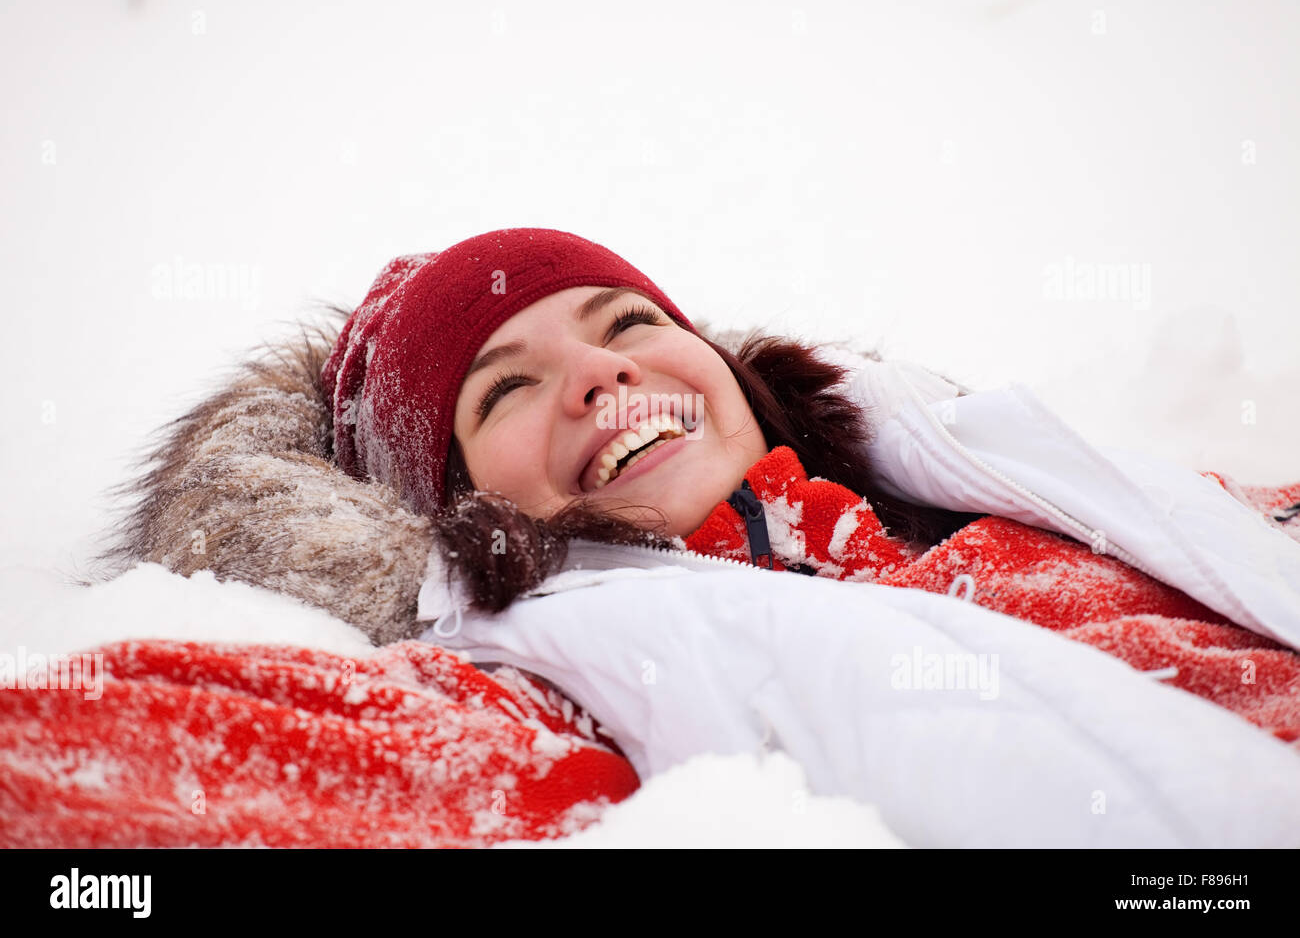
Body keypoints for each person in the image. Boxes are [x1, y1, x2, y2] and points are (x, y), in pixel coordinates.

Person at [322, 227, 1300, 747]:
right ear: (445, 512)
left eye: (623, 323)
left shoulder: (994, 489)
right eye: (506, 386)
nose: (599, 373)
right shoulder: (543, 706)